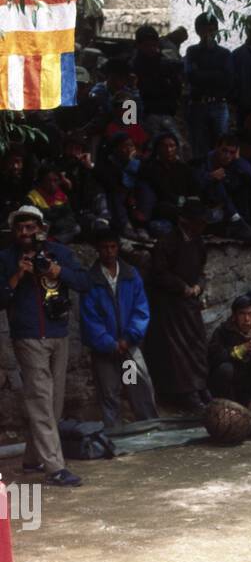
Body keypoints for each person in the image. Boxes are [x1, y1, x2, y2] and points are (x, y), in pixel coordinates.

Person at [0, 206, 90, 486]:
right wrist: (16, 276)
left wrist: (56, 270)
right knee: (40, 400)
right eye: (20, 228)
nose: (25, 233)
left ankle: (31, 458)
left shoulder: (58, 252)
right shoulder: (6, 258)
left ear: (40, 228)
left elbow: (85, 282)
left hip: (57, 333)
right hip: (27, 337)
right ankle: (55, 467)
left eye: (30, 227)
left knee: (53, 403)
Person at [79, 229, 158, 428]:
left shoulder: (131, 276)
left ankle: (149, 428)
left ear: (117, 248)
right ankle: (113, 435)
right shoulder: (92, 280)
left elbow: (141, 310)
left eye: (112, 247)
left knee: (134, 387)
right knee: (109, 392)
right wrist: (108, 343)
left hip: (127, 349)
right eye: (104, 247)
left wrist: (128, 338)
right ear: (98, 249)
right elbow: (90, 319)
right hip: (104, 351)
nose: (109, 251)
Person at [144, 197, 210, 413]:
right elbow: (159, 273)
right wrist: (182, 287)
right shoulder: (167, 242)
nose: (200, 227)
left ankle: (201, 387)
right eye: (197, 222)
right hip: (170, 307)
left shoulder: (199, 242)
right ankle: (187, 393)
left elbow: (201, 272)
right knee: (178, 350)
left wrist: (198, 286)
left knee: (197, 344)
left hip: (190, 304)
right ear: (184, 221)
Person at [185, 14, 235, 162]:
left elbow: (227, 80)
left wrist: (203, 74)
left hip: (219, 104)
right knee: (199, 148)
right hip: (198, 104)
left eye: (211, 29)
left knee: (221, 146)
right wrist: (215, 74)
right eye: (203, 29)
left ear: (216, 31)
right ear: (197, 31)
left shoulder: (224, 53)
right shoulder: (192, 51)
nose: (207, 33)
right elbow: (191, 76)